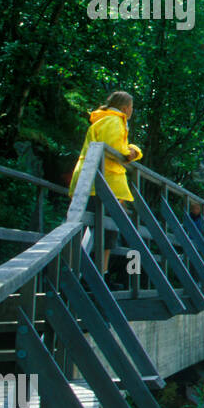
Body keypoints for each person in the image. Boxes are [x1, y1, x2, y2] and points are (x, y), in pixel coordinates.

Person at [68, 90, 143, 279]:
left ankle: (83, 272)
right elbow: (114, 149)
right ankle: (98, 275)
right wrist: (133, 151)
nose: (132, 111)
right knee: (106, 229)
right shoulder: (114, 120)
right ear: (126, 108)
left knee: (92, 227)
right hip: (104, 182)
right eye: (132, 107)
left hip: (92, 179)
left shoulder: (102, 119)